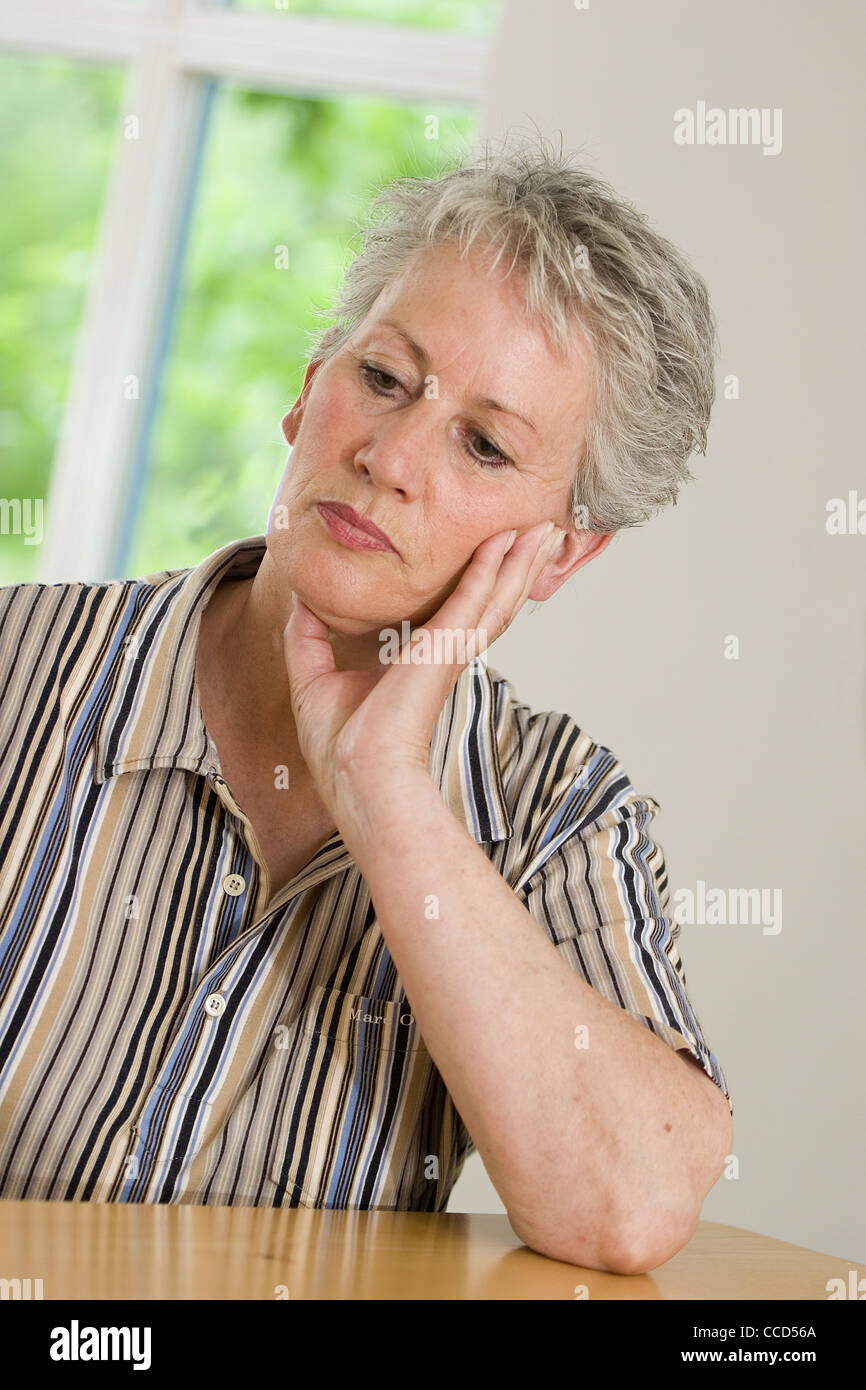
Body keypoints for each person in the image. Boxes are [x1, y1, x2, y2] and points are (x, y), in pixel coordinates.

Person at [0, 136, 731, 1274]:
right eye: (382, 378)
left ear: (558, 557)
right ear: (307, 392)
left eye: (483, 444)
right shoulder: (16, 665)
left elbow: (623, 1204)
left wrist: (388, 792)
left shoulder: (559, 813)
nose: (389, 455)